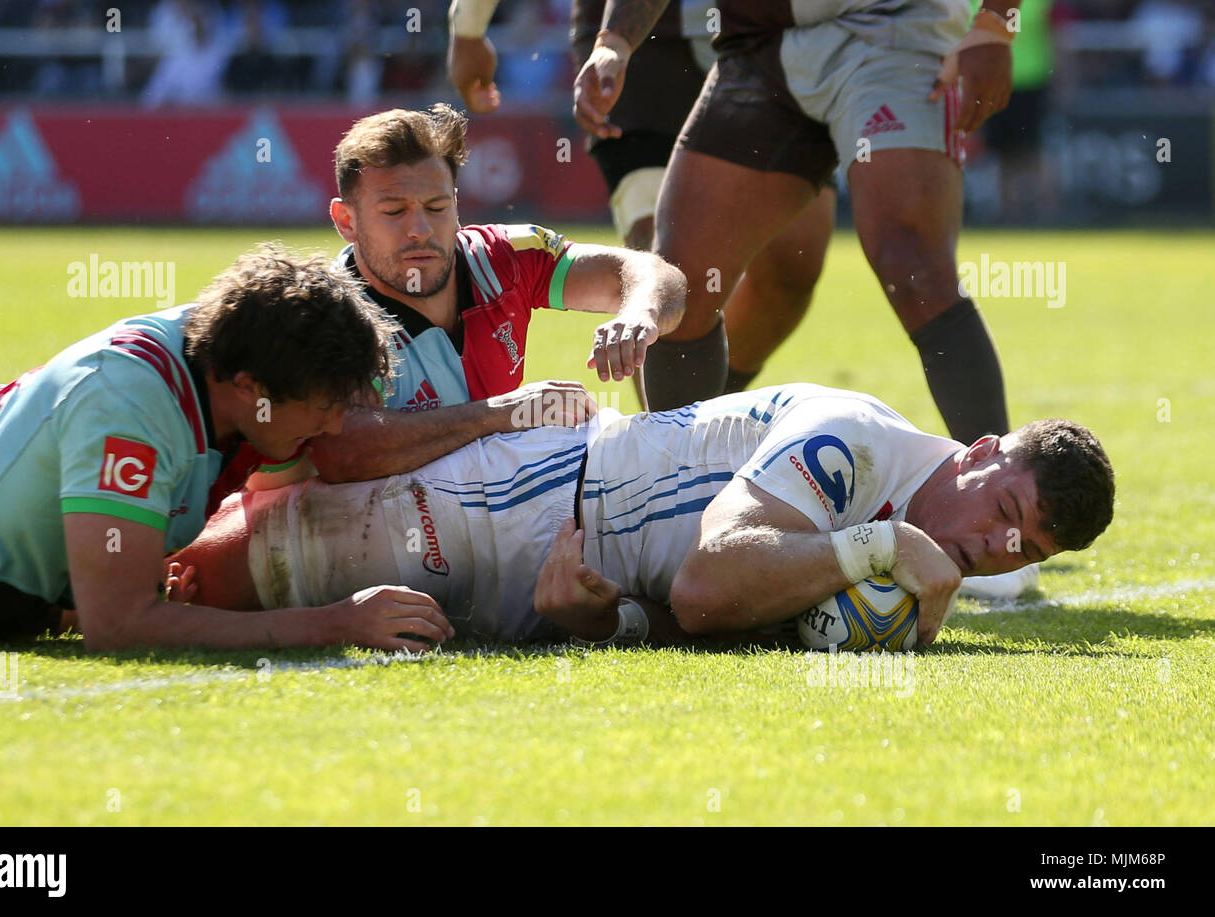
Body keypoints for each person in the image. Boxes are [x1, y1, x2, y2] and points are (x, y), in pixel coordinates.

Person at [166, 383, 1113, 650]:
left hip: (558, 577)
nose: (996, 545)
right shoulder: (854, 443)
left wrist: (606, 618)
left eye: (1022, 549)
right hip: (518, 497)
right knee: (227, 573)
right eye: (1006, 510)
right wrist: (878, 542)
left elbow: (686, 614)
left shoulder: (909, 569)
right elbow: (709, 583)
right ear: (982, 449)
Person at [0, 244, 449, 652]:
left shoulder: (250, 341)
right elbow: (118, 627)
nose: (335, 427)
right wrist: (333, 622)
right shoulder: (130, 409)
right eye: (323, 407)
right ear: (248, 388)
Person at [574, 0, 1020, 447]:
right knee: (682, 286)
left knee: (915, 268)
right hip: (759, 43)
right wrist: (614, 41)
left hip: (893, 28)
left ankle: (1003, 490)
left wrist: (995, 24)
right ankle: (672, 492)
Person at [447, 0, 837, 398]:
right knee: (664, 266)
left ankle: (707, 405)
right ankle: (679, 433)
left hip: (759, 32)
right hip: (640, 44)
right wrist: (468, 27)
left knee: (791, 271)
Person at [300, 103, 687, 484]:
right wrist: (502, 415)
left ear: (455, 204)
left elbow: (655, 274)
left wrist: (640, 313)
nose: (420, 229)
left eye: (436, 207)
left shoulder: (503, 256)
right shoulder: (326, 313)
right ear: (346, 221)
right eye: (394, 211)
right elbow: (344, 453)